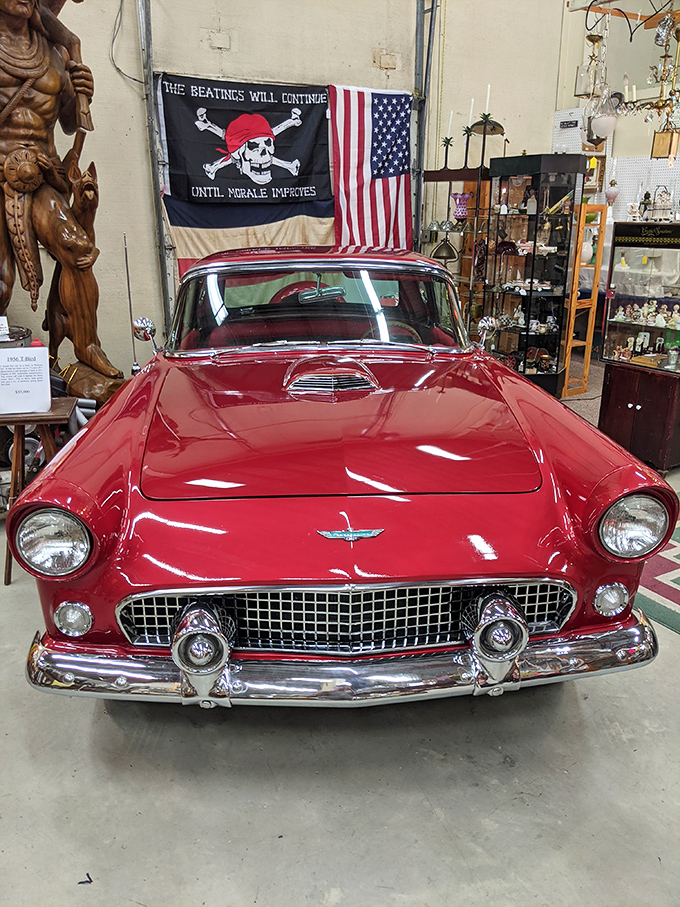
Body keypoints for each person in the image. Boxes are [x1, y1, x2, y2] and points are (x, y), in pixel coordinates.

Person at [0, 0, 121, 377]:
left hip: (42, 174)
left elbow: (70, 121)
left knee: (77, 247)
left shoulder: (53, 50)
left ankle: (87, 345)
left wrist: (82, 88)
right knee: (0, 284)